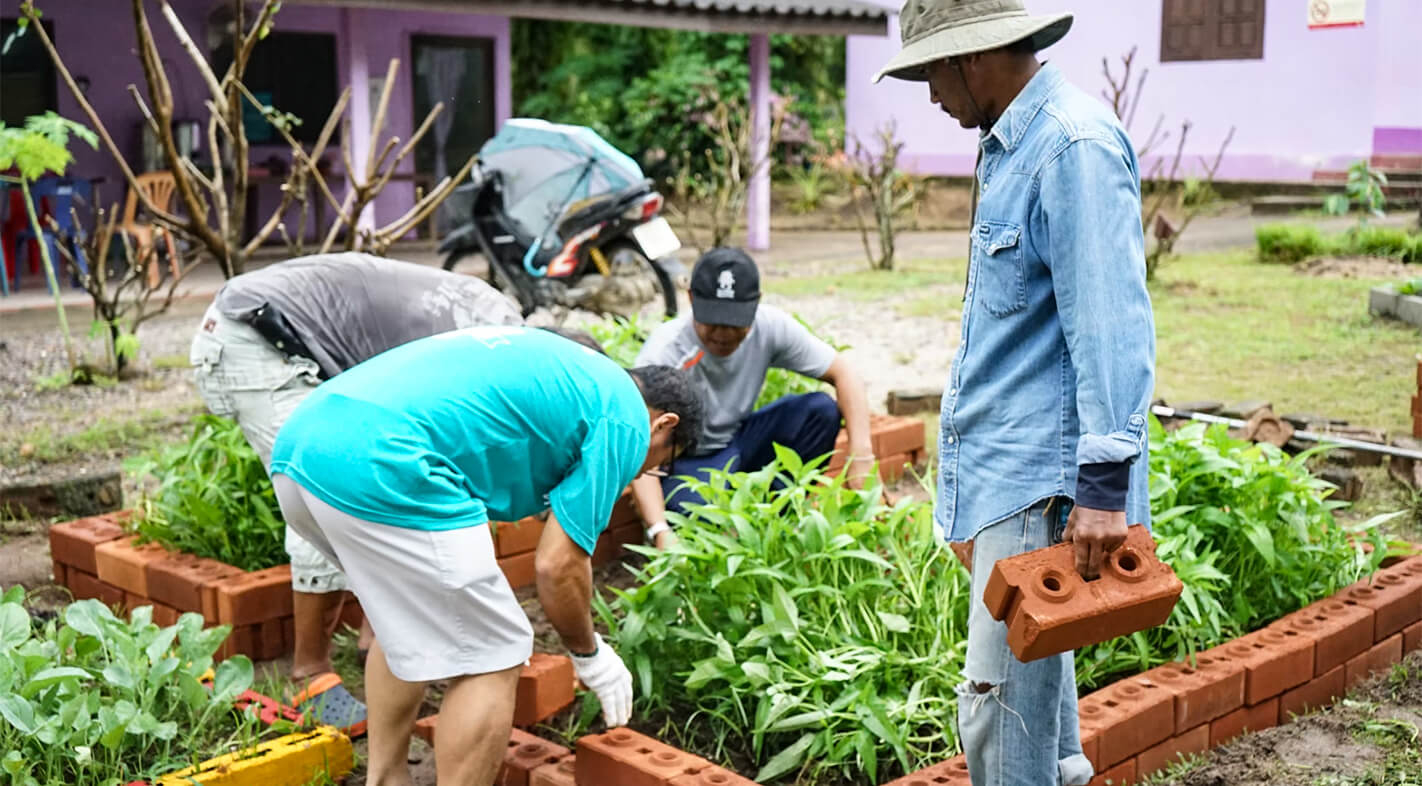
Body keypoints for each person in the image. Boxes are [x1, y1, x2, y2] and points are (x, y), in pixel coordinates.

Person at [875, 2, 1157, 785]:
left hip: (1044, 486)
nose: (929, 94)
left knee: (998, 715)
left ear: (972, 59)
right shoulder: (1009, 146)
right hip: (1011, 475)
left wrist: (1102, 489)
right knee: (1043, 713)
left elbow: (1111, 326)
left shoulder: (1070, 147)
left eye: (931, 71)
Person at [267, 326, 703, 786]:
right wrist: (588, 653)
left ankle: (386, 779)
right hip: (382, 462)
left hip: (305, 447)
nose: (644, 470)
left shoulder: (580, 373)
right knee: (493, 651)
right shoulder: (626, 419)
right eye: (660, 462)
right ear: (664, 424)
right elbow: (558, 565)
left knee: (405, 622)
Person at [188, 251, 523, 730]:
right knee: (326, 490)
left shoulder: (497, 331)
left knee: (380, 488)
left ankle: (377, 638)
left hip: (291, 337)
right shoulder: (488, 345)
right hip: (257, 340)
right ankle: (309, 674)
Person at [630, 247, 874, 548]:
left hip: (738, 442)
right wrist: (659, 531)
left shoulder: (770, 327)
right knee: (699, 524)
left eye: (734, 323)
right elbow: (638, 447)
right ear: (692, 299)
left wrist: (862, 459)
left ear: (755, 304)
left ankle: (775, 521)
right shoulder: (665, 352)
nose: (723, 334)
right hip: (686, 462)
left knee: (819, 411)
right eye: (713, 322)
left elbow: (845, 372)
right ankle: (727, 525)